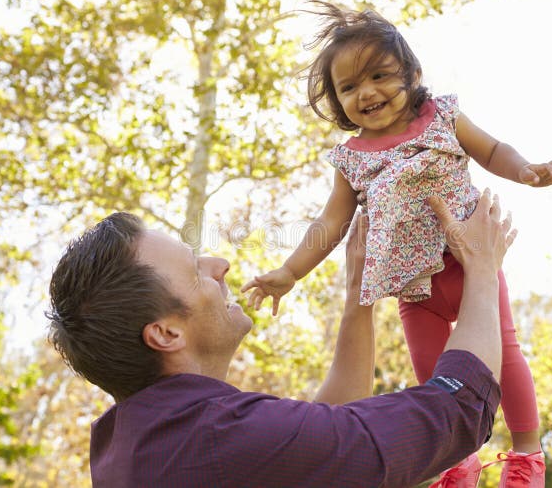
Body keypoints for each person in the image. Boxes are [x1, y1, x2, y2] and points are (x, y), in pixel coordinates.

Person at [242, 2, 552, 487]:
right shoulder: (351, 159)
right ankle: (457, 461)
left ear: (412, 73)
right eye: (348, 87)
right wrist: (290, 272)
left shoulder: (444, 117)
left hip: (466, 264)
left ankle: (526, 456)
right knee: (435, 380)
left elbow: (494, 151)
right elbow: (331, 223)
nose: (365, 93)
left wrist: (525, 171)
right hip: (412, 289)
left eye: (378, 76)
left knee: (506, 353)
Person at [46, 191, 513, 487]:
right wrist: (481, 269)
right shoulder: (220, 438)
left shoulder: (138, 443)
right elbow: (455, 410)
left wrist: (359, 298)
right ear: (166, 333)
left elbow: (322, 438)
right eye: (194, 270)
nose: (219, 265)